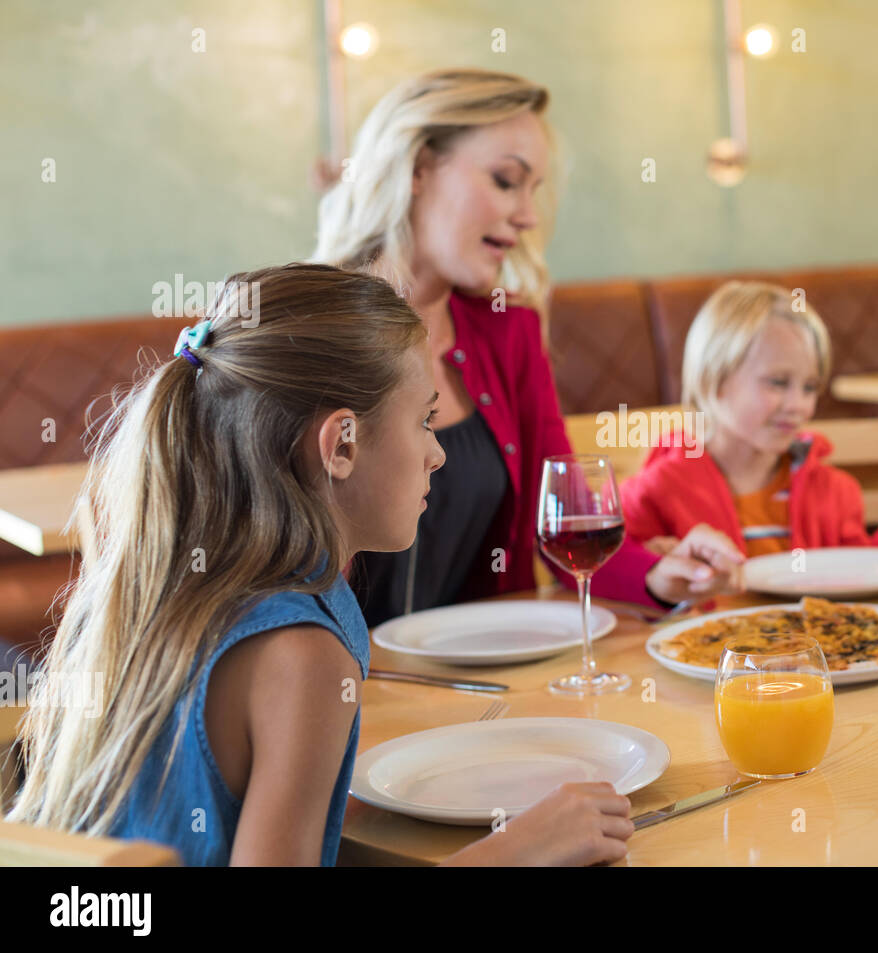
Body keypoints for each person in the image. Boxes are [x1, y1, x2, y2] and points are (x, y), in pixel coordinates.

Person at [5, 264, 635, 866]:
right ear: (341, 444)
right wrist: (518, 851)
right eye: (424, 422)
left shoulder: (165, 587)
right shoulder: (302, 654)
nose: (438, 456)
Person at [312, 68, 741, 625]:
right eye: (505, 180)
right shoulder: (309, 332)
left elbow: (567, 524)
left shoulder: (507, 330)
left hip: (488, 680)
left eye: (533, 190)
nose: (528, 216)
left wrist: (659, 578)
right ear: (417, 169)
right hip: (340, 689)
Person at [619, 281, 876, 559]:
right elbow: (617, 576)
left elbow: (860, 570)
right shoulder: (654, 494)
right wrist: (652, 565)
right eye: (778, 383)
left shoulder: (834, 492)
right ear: (713, 381)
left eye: (810, 387)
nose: (798, 406)